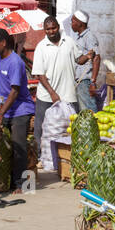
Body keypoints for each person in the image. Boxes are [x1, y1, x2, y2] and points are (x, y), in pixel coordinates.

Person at [32, 16, 79, 169]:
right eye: (47, 29)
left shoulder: (69, 42)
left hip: (67, 95)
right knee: (42, 128)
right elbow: (40, 74)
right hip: (47, 96)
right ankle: (43, 158)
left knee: (70, 129)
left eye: (53, 28)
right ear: (44, 30)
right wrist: (52, 93)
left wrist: (91, 56)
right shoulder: (41, 46)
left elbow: (78, 59)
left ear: (58, 27)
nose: (51, 31)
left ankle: (68, 159)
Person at [0, 28, 36, 191]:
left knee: (19, 147)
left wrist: (1, 112)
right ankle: (9, 179)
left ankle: (22, 184)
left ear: (3, 43)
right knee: (6, 147)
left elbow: (15, 90)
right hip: (6, 108)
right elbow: (0, 83)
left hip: (21, 109)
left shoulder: (15, 62)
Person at [68, 10, 101, 113]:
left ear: (80, 23)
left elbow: (97, 58)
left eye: (73, 21)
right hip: (79, 81)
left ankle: (94, 128)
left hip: (85, 81)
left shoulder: (89, 36)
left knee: (88, 110)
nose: (71, 23)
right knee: (82, 112)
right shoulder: (80, 37)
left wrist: (93, 82)